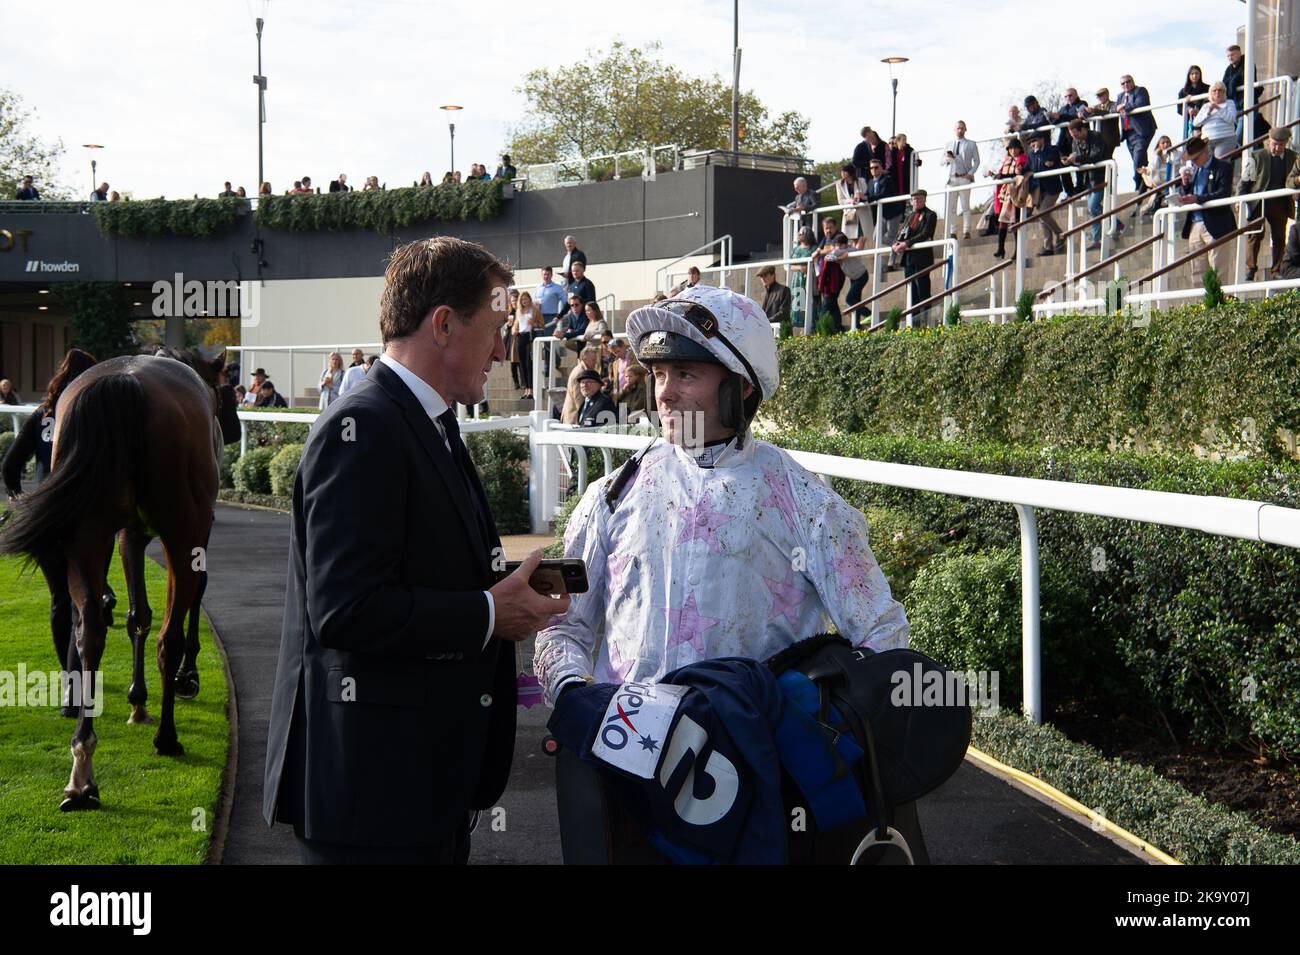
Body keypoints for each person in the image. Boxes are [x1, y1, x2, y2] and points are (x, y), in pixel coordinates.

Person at [533, 286, 910, 861]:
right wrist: (574, 696)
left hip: (752, 781)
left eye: (687, 374)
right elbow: (565, 627)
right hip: (630, 772)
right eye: (658, 374)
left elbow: (881, 635)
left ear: (742, 387)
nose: (664, 393)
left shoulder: (805, 501)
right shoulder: (610, 496)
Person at [263, 236, 567, 864]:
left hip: (419, 789)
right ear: (445, 324)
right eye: (494, 326)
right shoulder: (365, 427)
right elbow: (346, 609)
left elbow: (421, 564)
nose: (501, 347)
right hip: (371, 803)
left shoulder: (426, 420)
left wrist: (513, 590)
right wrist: (488, 615)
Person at [2, 347, 102, 715]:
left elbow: (10, 467)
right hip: (82, 517)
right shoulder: (91, 414)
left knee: (61, 600)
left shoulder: (42, 413)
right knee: (84, 602)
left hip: (45, 517)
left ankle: (69, 688)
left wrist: (20, 502)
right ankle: (76, 694)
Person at [1238, 127, 1300, 280]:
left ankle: (1276, 269)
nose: (1276, 148)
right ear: (1268, 141)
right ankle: (1250, 268)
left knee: (1279, 237)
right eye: (1273, 143)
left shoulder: (1293, 157)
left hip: (1281, 203)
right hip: (1258, 201)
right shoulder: (1256, 156)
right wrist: (1240, 199)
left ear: (1286, 143)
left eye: (1280, 144)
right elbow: (1244, 182)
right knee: (1255, 235)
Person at [1178, 136, 1235, 279]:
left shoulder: (1223, 167)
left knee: (1219, 268)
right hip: (1195, 223)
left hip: (1216, 221)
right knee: (1197, 270)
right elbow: (1189, 194)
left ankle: (1220, 300)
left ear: (1205, 153)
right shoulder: (1196, 171)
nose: (1193, 162)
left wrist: (1198, 198)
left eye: (1195, 158)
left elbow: (1223, 193)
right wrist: (1185, 184)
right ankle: (1201, 300)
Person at [1063, 119, 1117, 250]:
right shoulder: (1075, 142)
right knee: (1092, 209)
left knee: (1093, 207)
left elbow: (1096, 156)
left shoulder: (1096, 137)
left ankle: (1113, 224)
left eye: (1076, 134)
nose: (1074, 138)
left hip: (1102, 177)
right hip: (1089, 179)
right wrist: (1070, 161)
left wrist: (1078, 159)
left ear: (1083, 129)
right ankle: (1097, 239)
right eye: (1072, 136)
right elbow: (1079, 160)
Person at [891, 190, 939, 325]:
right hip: (909, 259)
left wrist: (907, 243)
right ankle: (914, 322)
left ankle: (926, 321)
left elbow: (926, 233)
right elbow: (901, 233)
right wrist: (895, 244)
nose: (915, 201)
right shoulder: (910, 216)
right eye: (913, 199)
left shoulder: (930, 215)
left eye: (918, 199)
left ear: (924, 199)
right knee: (911, 291)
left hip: (922, 258)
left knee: (923, 290)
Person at [1025, 131, 1066, 255]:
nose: (1033, 144)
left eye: (1035, 141)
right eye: (1031, 142)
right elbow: (1029, 168)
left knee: (1043, 213)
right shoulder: (1031, 154)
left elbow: (1048, 163)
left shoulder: (1052, 149)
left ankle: (1060, 234)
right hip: (1038, 190)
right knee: (1042, 218)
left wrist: (1039, 153)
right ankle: (1048, 247)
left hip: (1052, 188)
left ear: (1042, 140)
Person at [988, 139, 1029, 258]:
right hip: (1005, 195)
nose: (1013, 151)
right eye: (1011, 149)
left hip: (1017, 193)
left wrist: (1003, 176)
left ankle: (1017, 251)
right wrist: (996, 175)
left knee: (1015, 222)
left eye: (1015, 148)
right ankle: (1001, 248)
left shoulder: (1023, 159)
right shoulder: (1007, 161)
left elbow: (1019, 175)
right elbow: (1003, 174)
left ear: (1020, 149)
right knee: (1002, 221)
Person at [1116, 75, 1156, 193]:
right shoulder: (1120, 96)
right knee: (1139, 160)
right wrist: (1118, 107)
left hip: (1142, 131)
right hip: (1128, 133)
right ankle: (1147, 182)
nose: (1126, 85)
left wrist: (1124, 106)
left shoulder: (1140, 91)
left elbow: (1141, 103)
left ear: (1133, 81)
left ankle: (1138, 187)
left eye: (1128, 82)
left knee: (1138, 158)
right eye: (1122, 83)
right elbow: (1114, 108)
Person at [941, 121, 980, 240]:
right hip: (952, 178)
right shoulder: (948, 144)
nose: (960, 130)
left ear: (965, 129)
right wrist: (948, 159)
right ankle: (953, 231)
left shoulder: (971, 144)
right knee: (952, 207)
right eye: (958, 128)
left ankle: (966, 230)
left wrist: (970, 173)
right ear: (955, 129)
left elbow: (977, 161)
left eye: (962, 128)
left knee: (965, 206)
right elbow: (941, 161)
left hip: (964, 177)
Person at [828, 232, 869, 325]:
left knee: (849, 299)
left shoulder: (850, 249)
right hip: (853, 277)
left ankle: (869, 314)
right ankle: (856, 325)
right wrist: (840, 258)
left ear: (845, 245)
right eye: (836, 245)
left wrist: (840, 256)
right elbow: (829, 257)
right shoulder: (840, 251)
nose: (836, 247)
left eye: (839, 245)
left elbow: (854, 251)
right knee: (856, 300)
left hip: (861, 276)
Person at [1192, 82, 1239, 160]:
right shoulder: (1206, 106)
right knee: (1207, 165)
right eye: (1214, 90)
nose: (1217, 93)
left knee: (1219, 163)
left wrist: (1218, 108)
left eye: (1220, 90)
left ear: (1224, 92)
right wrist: (1208, 112)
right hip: (1207, 140)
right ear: (1211, 93)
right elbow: (1196, 123)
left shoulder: (1230, 103)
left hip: (1225, 137)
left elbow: (1231, 119)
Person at [834, 164, 872, 249]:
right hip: (850, 214)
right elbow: (840, 201)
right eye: (843, 175)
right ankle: (856, 256)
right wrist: (850, 201)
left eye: (846, 175)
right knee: (853, 238)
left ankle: (857, 256)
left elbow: (866, 194)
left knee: (863, 237)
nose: (845, 178)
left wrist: (859, 196)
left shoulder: (861, 181)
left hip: (862, 213)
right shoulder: (839, 184)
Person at [561, 346, 600, 424]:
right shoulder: (579, 374)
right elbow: (580, 401)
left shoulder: (581, 370)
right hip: (573, 419)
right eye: (593, 360)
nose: (595, 362)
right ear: (585, 359)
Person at [514, 290, 541, 398]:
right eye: (522, 299)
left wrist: (533, 323)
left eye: (526, 299)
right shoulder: (518, 311)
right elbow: (517, 324)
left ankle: (531, 389)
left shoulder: (534, 310)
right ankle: (526, 389)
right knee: (522, 364)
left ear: (530, 299)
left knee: (529, 363)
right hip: (520, 336)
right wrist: (514, 329)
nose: (524, 301)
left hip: (530, 336)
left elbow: (542, 324)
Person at [1087, 88, 1123, 157]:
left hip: (1109, 138)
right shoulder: (1095, 107)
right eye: (1097, 96)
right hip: (1097, 138)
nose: (1099, 97)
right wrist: (1083, 112)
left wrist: (1094, 111)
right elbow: (1086, 117)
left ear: (1107, 94)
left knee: (1107, 157)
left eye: (1101, 95)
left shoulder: (1114, 105)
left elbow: (1109, 113)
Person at [1178, 66, 1211, 140]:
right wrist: (1188, 109)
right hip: (1190, 123)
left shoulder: (1207, 88)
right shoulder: (1183, 91)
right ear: (1188, 76)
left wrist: (1199, 109)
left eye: (1196, 73)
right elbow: (1179, 109)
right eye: (1192, 74)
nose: (1194, 76)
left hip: (1205, 122)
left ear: (1200, 75)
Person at [534, 266, 568, 334]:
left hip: (550, 317)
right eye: (544, 274)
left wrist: (562, 315)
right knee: (538, 339)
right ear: (541, 275)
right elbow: (533, 301)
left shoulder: (557, 288)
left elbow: (566, 302)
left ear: (551, 275)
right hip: (538, 316)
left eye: (548, 274)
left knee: (548, 339)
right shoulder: (537, 288)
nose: (546, 276)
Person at [886, 132, 919, 199]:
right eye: (903, 140)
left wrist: (918, 162)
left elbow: (917, 159)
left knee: (906, 193)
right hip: (896, 177)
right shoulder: (893, 152)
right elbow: (889, 165)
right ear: (898, 141)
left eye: (905, 140)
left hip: (906, 176)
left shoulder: (910, 150)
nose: (905, 142)